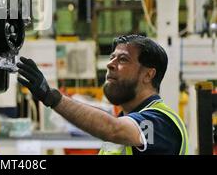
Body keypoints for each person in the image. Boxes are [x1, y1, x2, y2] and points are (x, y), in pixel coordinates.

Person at [17, 35, 189, 155]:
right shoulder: (125, 119)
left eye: (123, 59)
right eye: (112, 57)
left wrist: (51, 97)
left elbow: (113, 129)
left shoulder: (160, 123)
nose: (110, 64)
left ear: (148, 75)